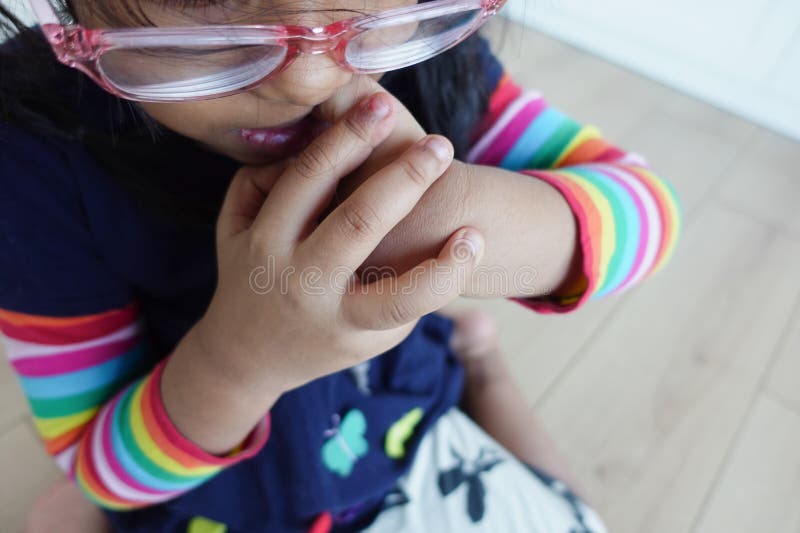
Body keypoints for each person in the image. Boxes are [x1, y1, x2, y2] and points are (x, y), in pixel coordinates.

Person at [0, 0, 680, 531]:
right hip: (212, 489)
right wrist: (243, 359)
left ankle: (480, 363)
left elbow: (649, 214)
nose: (314, 75)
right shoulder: (32, 157)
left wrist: (454, 226)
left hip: (402, 415)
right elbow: (102, 465)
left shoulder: (420, 47)